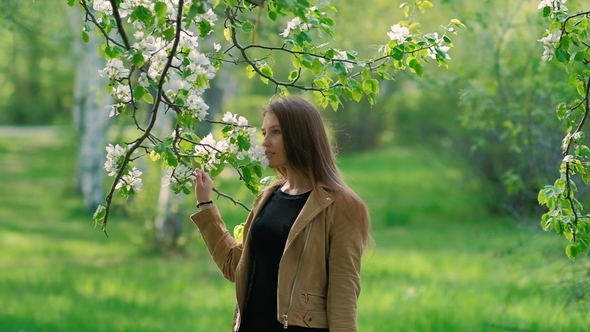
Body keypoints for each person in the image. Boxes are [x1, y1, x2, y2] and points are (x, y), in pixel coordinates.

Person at [191, 96, 370, 332]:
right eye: (264, 132)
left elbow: (343, 296)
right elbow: (234, 265)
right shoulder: (269, 197)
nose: (265, 142)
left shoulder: (342, 206)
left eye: (276, 132)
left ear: (301, 136)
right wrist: (205, 204)